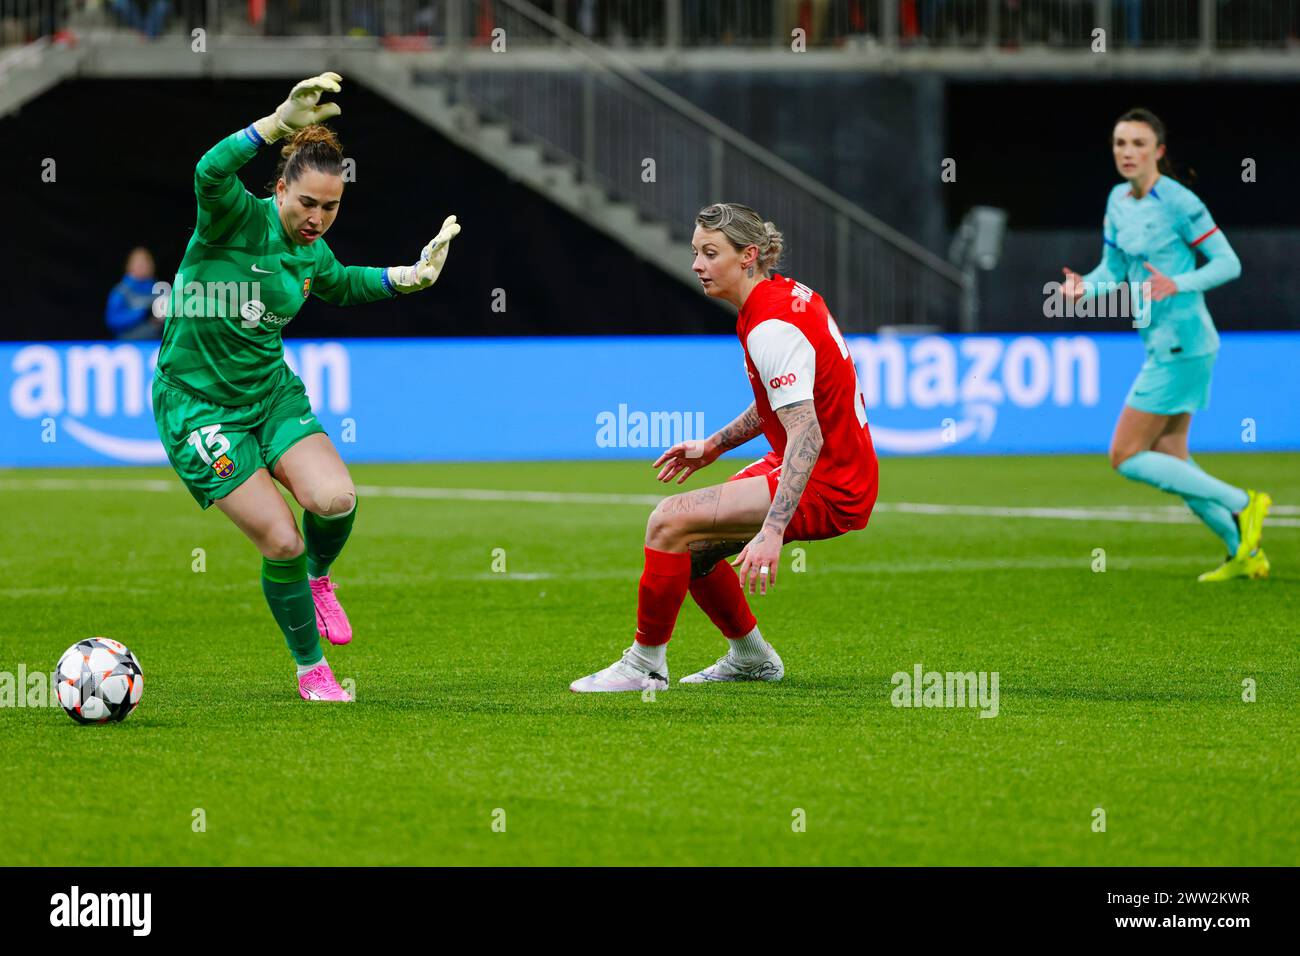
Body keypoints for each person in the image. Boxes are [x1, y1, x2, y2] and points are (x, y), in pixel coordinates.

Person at [152, 72, 461, 701]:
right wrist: (272, 126)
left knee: (335, 500)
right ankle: (310, 669)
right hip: (198, 407)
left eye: (332, 207)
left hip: (269, 394)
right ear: (281, 188)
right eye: (307, 203)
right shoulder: (232, 220)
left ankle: (320, 581)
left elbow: (343, 282)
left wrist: (410, 277)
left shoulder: (309, 252)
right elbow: (208, 172)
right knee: (281, 538)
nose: (317, 218)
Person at [570, 202, 879, 692]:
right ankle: (752, 658)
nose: (697, 264)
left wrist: (773, 530)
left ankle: (644, 665)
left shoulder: (771, 326)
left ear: (748, 256)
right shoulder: (777, 300)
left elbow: (807, 432)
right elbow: (783, 403)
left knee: (668, 521)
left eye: (710, 253)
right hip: (820, 465)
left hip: (829, 479)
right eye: (696, 252)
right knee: (690, 549)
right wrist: (715, 445)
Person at [1060, 107, 1269, 583]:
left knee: (1125, 455)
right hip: (1163, 344)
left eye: (1137, 144)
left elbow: (1228, 263)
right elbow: (1111, 271)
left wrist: (1179, 281)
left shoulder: (1178, 202)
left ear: (1159, 151)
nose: (1127, 152)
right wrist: (1082, 289)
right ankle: (1245, 551)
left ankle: (1244, 503)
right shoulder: (1117, 201)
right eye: (1119, 143)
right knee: (1173, 458)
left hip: (1184, 344)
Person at [105, 247, 164, 340]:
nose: (142, 266)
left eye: (145, 262)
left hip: (156, 344)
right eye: (138, 263)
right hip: (128, 345)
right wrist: (142, 312)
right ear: (129, 265)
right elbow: (112, 321)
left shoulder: (160, 290)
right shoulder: (121, 291)